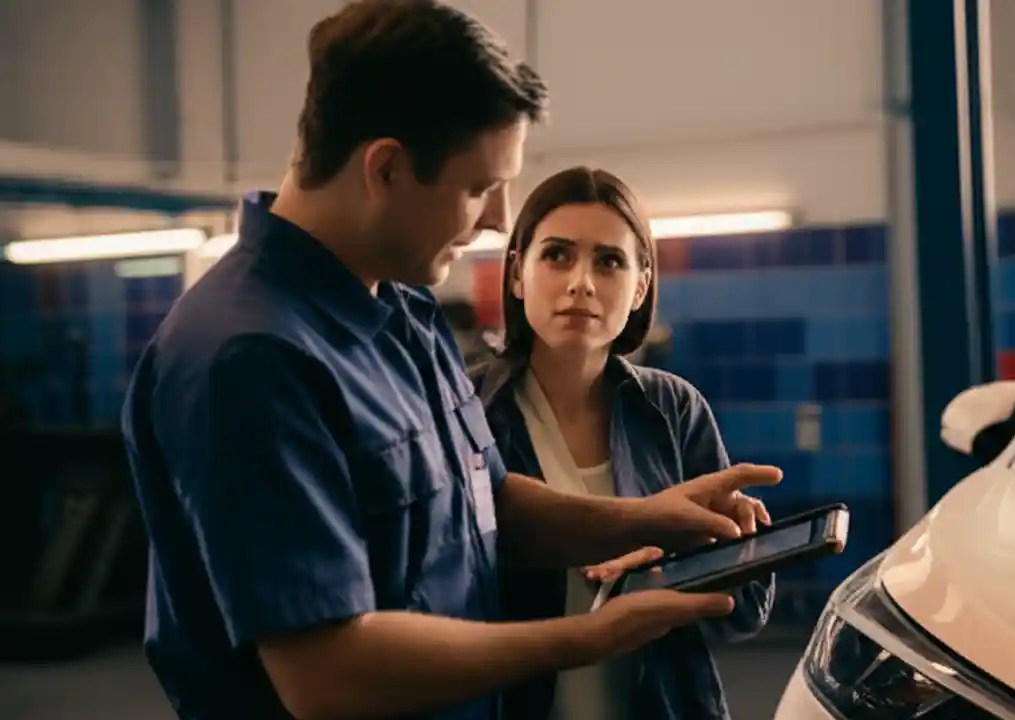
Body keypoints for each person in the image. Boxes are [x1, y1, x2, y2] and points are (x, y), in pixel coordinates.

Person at [117, 2, 782, 719]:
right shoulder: (249, 357)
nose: (500, 218)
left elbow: (486, 501)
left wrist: (644, 517)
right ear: (386, 169)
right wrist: (586, 638)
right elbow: (327, 675)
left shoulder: (401, 307)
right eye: (480, 187)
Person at [471, 167, 775, 720]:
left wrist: (695, 556)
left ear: (639, 287)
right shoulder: (466, 409)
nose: (581, 283)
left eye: (609, 261)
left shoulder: (673, 409)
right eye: (557, 255)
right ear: (516, 273)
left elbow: (742, 614)